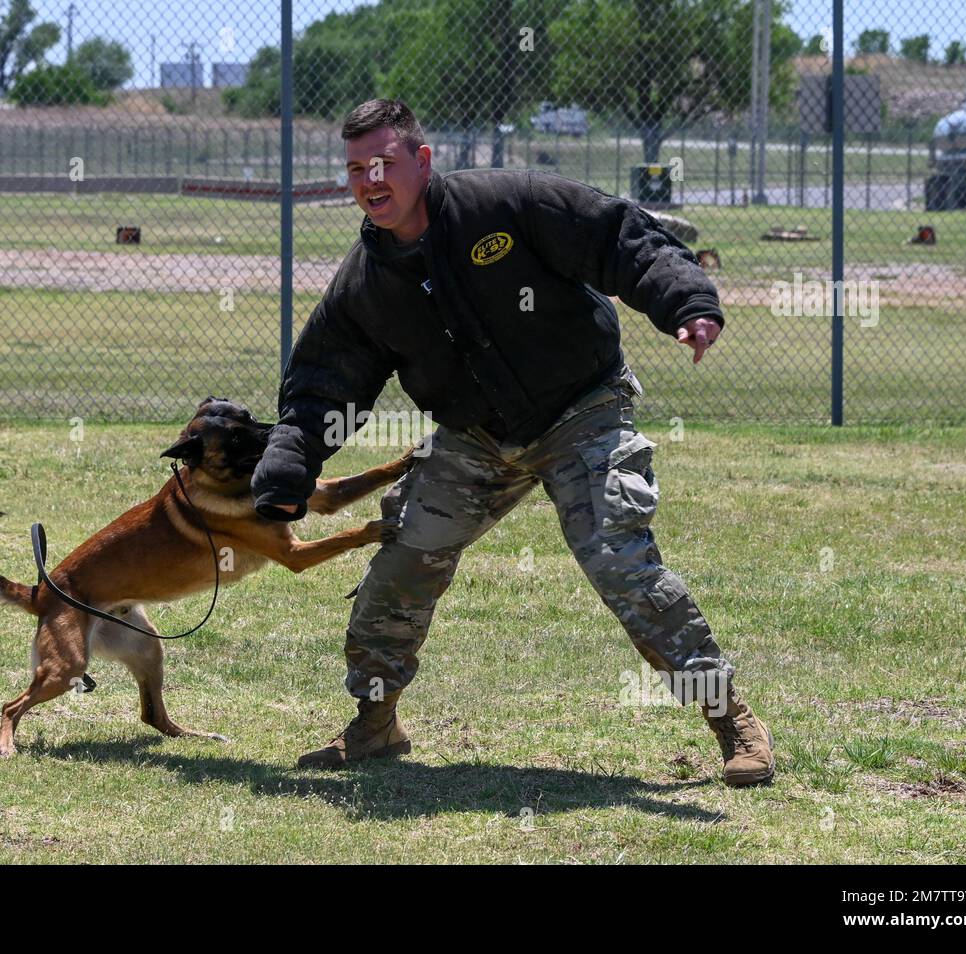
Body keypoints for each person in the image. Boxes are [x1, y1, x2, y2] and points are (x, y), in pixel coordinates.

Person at [250, 99, 773, 786]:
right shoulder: (366, 284)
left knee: (620, 561)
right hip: (476, 437)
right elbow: (322, 387)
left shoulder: (505, 203)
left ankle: (731, 719)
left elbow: (616, 236)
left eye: (383, 163)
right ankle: (375, 725)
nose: (369, 181)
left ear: (422, 159)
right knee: (400, 566)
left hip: (582, 410)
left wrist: (687, 302)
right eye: (354, 169)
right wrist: (287, 472)